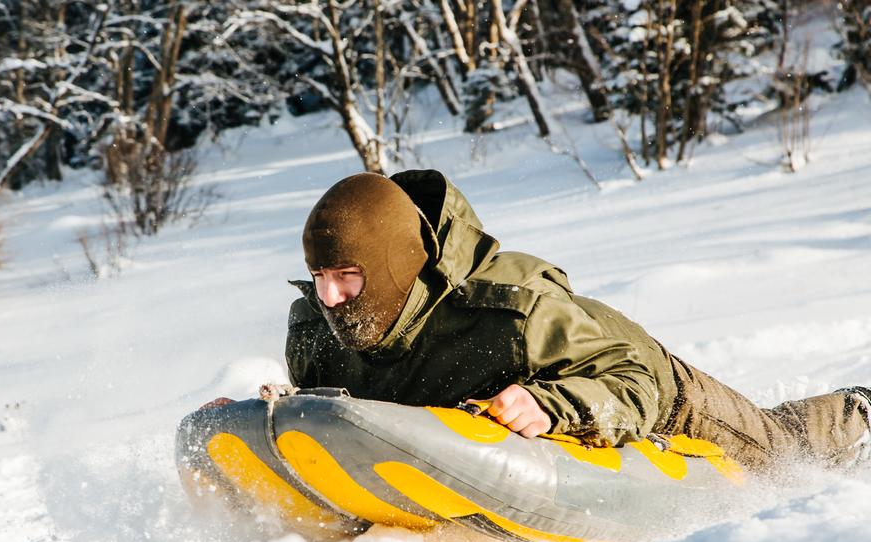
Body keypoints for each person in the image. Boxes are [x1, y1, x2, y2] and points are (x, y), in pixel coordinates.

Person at [285, 170, 871, 472]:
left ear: (396, 267)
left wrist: (553, 406)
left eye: (348, 276)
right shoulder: (315, 333)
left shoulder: (512, 311)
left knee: (779, 448)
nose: (331, 297)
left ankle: (859, 411)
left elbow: (633, 379)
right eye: (319, 278)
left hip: (647, 381)